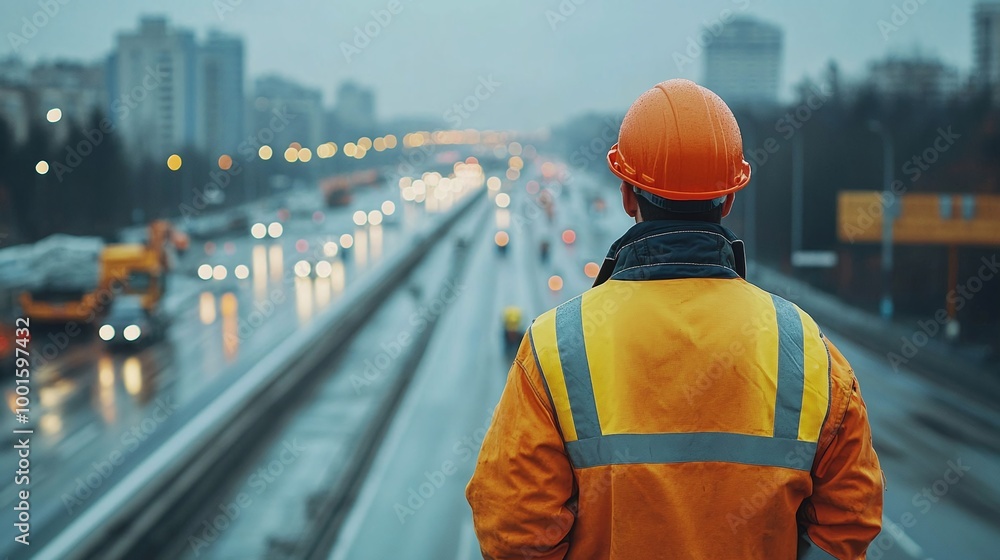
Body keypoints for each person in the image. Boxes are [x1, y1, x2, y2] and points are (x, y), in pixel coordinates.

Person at [466, 79, 883, 559]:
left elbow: (513, 532)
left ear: (626, 195)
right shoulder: (806, 349)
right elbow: (850, 521)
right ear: (728, 200)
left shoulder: (556, 345)